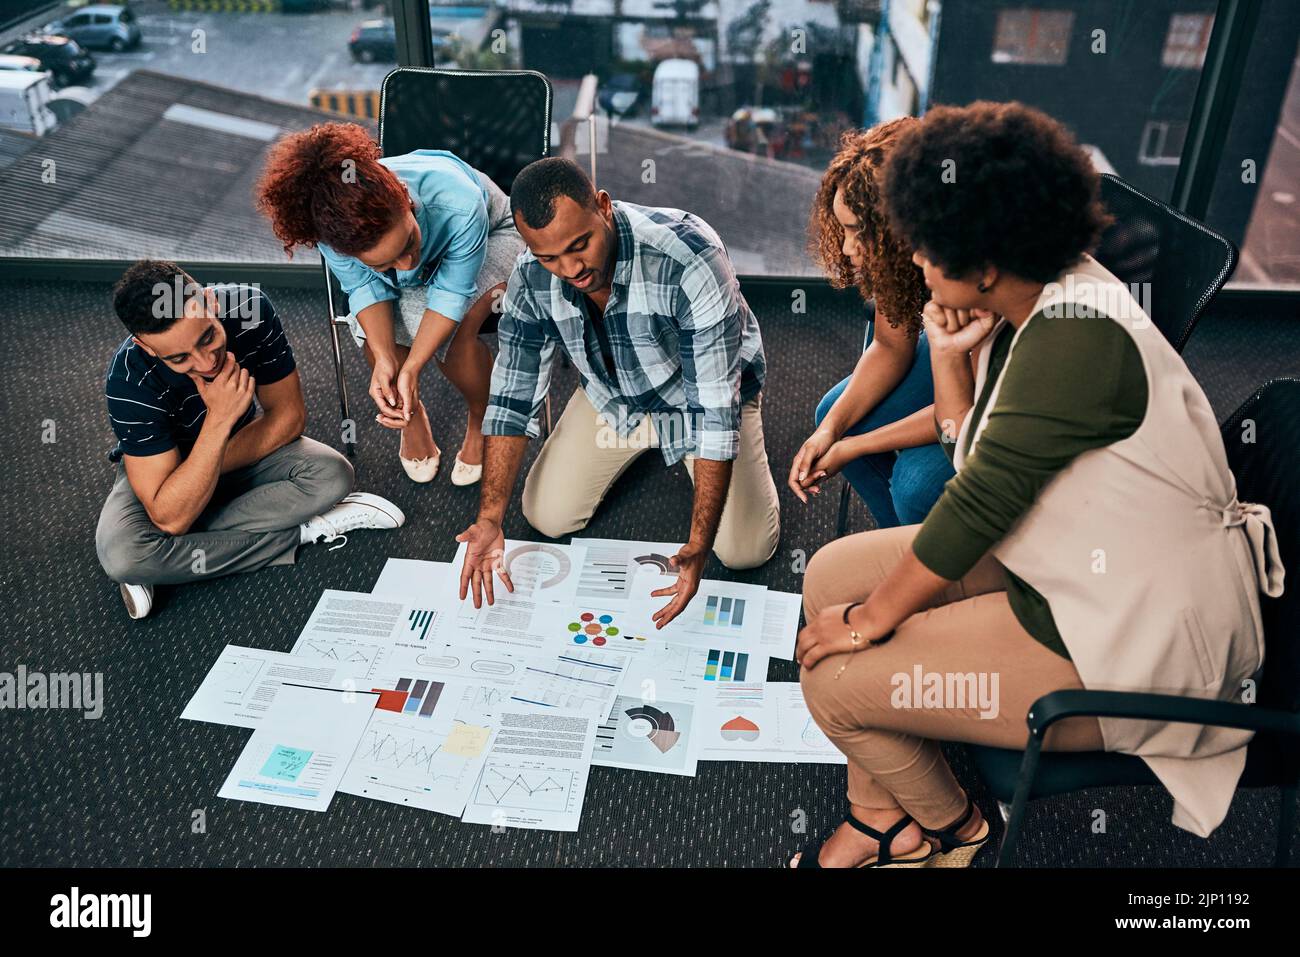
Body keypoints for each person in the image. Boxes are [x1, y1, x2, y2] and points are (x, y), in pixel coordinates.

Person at [792, 101, 1284, 868]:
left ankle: (953, 833)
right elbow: (977, 460)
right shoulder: (1028, 294)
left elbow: (977, 501)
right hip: (1079, 558)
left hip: (1132, 639)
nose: (913, 265)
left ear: (982, 264)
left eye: (925, 250)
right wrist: (951, 357)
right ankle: (882, 816)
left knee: (834, 679)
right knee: (825, 576)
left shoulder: (1072, 341)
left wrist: (868, 622)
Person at [456, 157, 781, 627]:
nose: (570, 269)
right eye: (549, 256)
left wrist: (696, 543)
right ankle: (644, 444)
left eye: (579, 245)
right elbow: (512, 395)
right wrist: (488, 517)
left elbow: (714, 413)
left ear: (603, 207)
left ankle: (690, 461)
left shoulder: (689, 254)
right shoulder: (531, 274)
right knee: (545, 516)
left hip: (696, 400)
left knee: (743, 550)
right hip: (612, 393)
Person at [96, 261, 404, 620]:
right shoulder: (128, 380)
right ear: (146, 348)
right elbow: (170, 520)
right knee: (125, 557)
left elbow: (289, 417)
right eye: (179, 359)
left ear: (210, 302)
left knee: (332, 475)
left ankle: (164, 564)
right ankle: (305, 532)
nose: (206, 361)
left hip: (239, 449)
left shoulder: (250, 310)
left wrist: (201, 475)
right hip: (161, 469)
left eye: (207, 337)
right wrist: (218, 419)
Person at [256, 122, 525, 486]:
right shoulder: (333, 231)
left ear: (404, 198)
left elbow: (450, 293)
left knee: (453, 334)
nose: (406, 265)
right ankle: (412, 419)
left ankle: (482, 417)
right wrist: (385, 358)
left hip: (496, 236)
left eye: (409, 243)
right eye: (385, 262)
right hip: (429, 270)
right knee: (376, 336)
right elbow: (366, 288)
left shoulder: (457, 200)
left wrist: (411, 368)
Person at [790, 120, 953, 527]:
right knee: (833, 415)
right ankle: (897, 550)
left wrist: (856, 446)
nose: (846, 248)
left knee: (915, 485)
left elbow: (966, 413)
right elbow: (891, 345)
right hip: (949, 349)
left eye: (856, 231)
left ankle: (935, 570)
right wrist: (830, 433)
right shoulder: (897, 255)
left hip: (993, 400)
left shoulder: (969, 273)